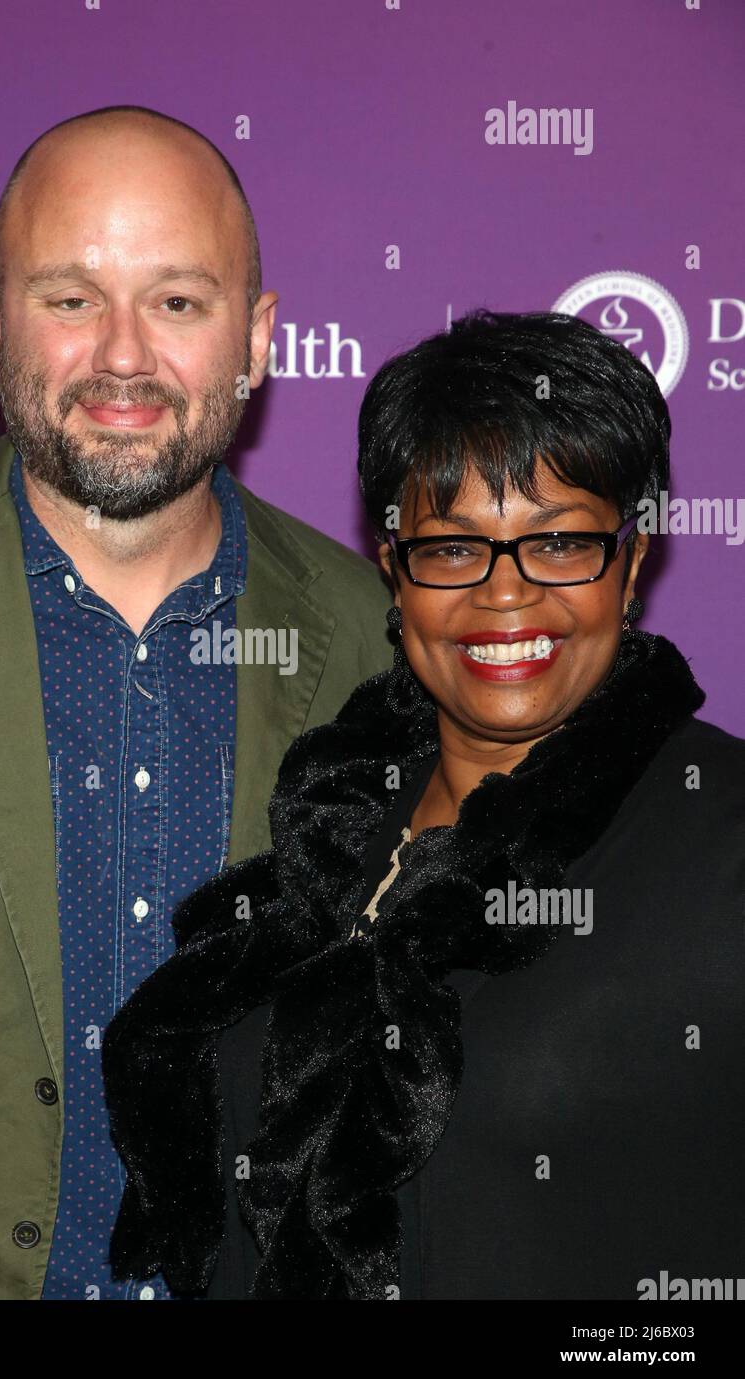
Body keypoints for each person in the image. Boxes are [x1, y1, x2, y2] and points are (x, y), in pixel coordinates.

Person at [0, 106, 393, 1301]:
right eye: (70, 298)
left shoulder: (367, 636)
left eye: (179, 302)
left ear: (258, 341)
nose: (123, 358)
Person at [102, 308, 745, 1300]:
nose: (504, 597)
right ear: (393, 572)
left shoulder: (721, 838)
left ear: (632, 560)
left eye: (559, 543)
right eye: (452, 549)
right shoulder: (329, 827)